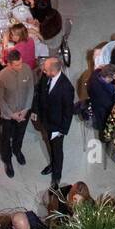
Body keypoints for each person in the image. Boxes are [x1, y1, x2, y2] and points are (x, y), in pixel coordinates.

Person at [33, 55, 75, 186]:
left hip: (57, 127)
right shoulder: (46, 76)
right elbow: (39, 93)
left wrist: (61, 131)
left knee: (57, 151)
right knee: (49, 145)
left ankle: (56, 176)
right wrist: (35, 111)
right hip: (46, 121)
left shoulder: (66, 87)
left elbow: (68, 113)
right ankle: (52, 164)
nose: (43, 71)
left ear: (53, 71)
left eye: (45, 69)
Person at [0, 50, 34, 178]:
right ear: (9, 64)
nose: (20, 66)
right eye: (17, 65)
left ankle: (17, 150)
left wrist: (26, 109)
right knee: (6, 138)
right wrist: (11, 114)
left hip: (24, 111)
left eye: (21, 63)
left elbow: (30, 88)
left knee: (20, 134)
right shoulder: (1, 77)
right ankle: (7, 160)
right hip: (8, 115)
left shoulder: (27, 69)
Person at [87, 64, 115, 133]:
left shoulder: (97, 72)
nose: (114, 79)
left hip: (93, 95)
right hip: (100, 109)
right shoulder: (103, 92)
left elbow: (100, 68)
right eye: (113, 78)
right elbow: (113, 105)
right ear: (108, 78)